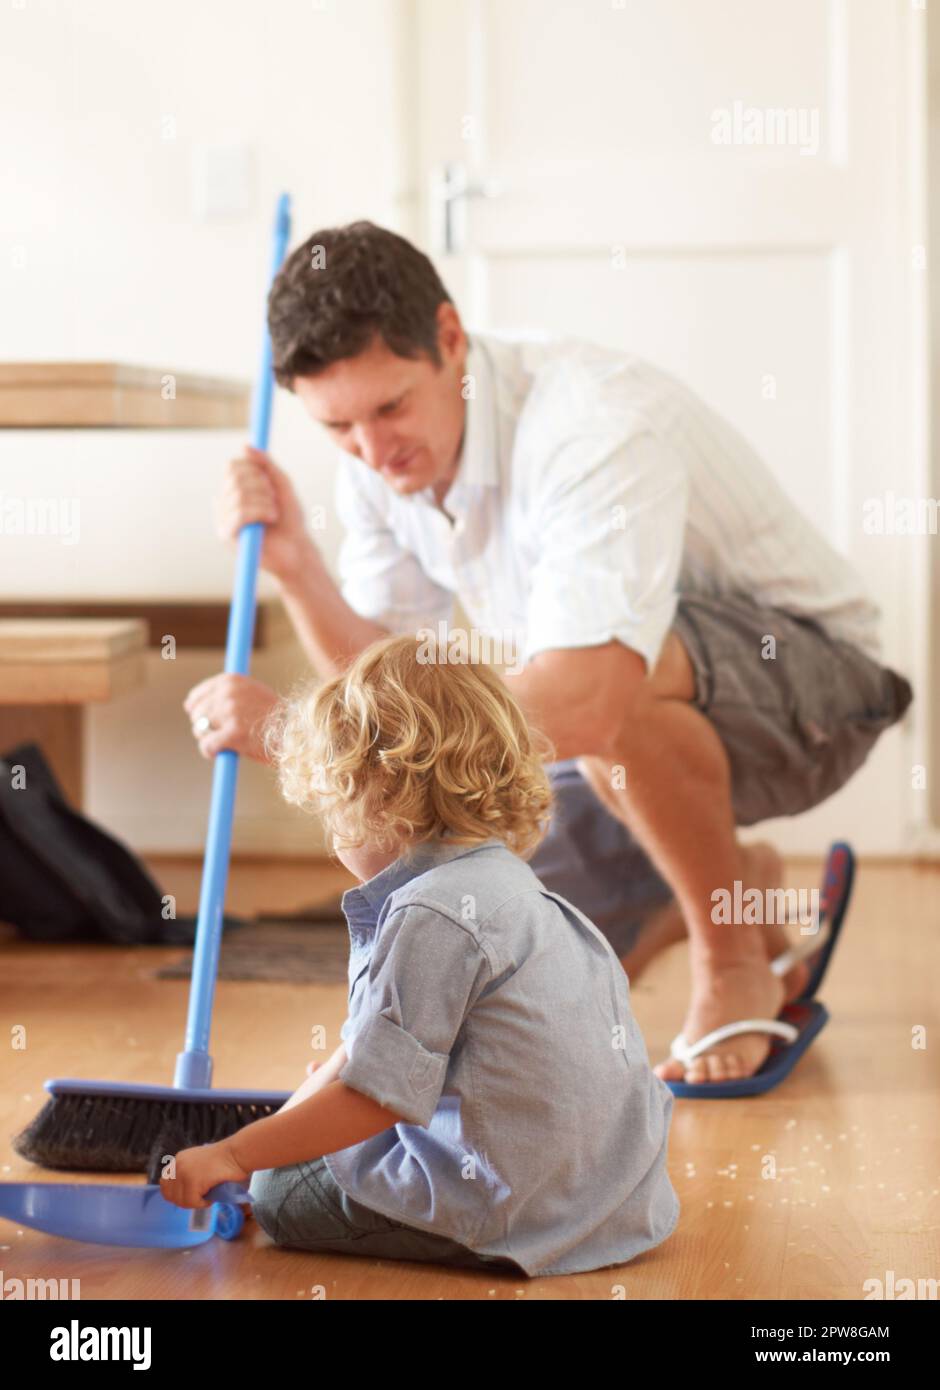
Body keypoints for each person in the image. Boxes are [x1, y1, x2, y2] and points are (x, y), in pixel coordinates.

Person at [183, 220, 913, 1088]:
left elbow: (587, 699)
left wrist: (305, 735)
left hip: (817, 693)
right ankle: (734, 884)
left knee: (608, 696)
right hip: (623, 739)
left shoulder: (591, 425)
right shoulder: (381, 464)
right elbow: (388, 676)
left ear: (450, 339)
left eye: (390, 408)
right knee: (488, 941)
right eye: (339, 427)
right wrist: (298, 569)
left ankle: (730, 962)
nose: (374, 452)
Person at [166, 635, 680, 1277]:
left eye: (332, 809)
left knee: (281, 1194)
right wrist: (305, 1109)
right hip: (613, 1201)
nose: (333, 836)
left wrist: (240, 1159)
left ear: (377, 794)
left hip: (514, 1211)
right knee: (327, 1116)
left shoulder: (428, 914)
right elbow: (363, 1057)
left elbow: (370, 1100)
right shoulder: (517, 888)